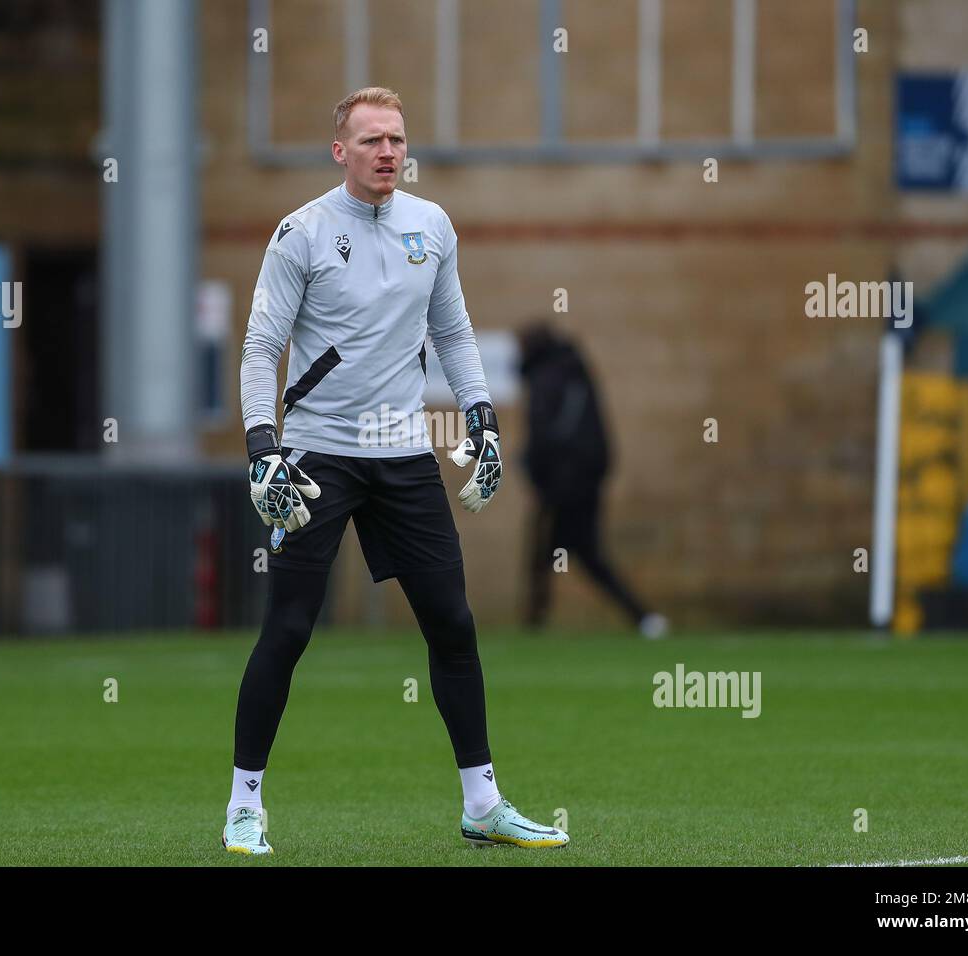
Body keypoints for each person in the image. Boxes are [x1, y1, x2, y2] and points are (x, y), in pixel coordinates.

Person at [225, 88, 568, 855]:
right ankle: (244, 804)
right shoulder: (300, 234)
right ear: (339, 150)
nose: (389, 151)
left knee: (453, 623)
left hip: (404, 452)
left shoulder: (432, 226)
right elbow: (259, 349)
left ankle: (482, 803)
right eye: (373, 139)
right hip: (317, 454)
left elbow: (452, 328)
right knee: (287, 627)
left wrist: (481, 420)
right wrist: (261, 446)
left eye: (398, 139)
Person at [517, 323, 668, 638]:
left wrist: (535, 471)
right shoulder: (576, 375)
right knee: (570, 554)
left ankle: (642, 618)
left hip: (562, 486)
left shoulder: (546, 379)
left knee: (560, 553)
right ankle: (642, 619)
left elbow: (543, 437)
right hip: (582, 482)